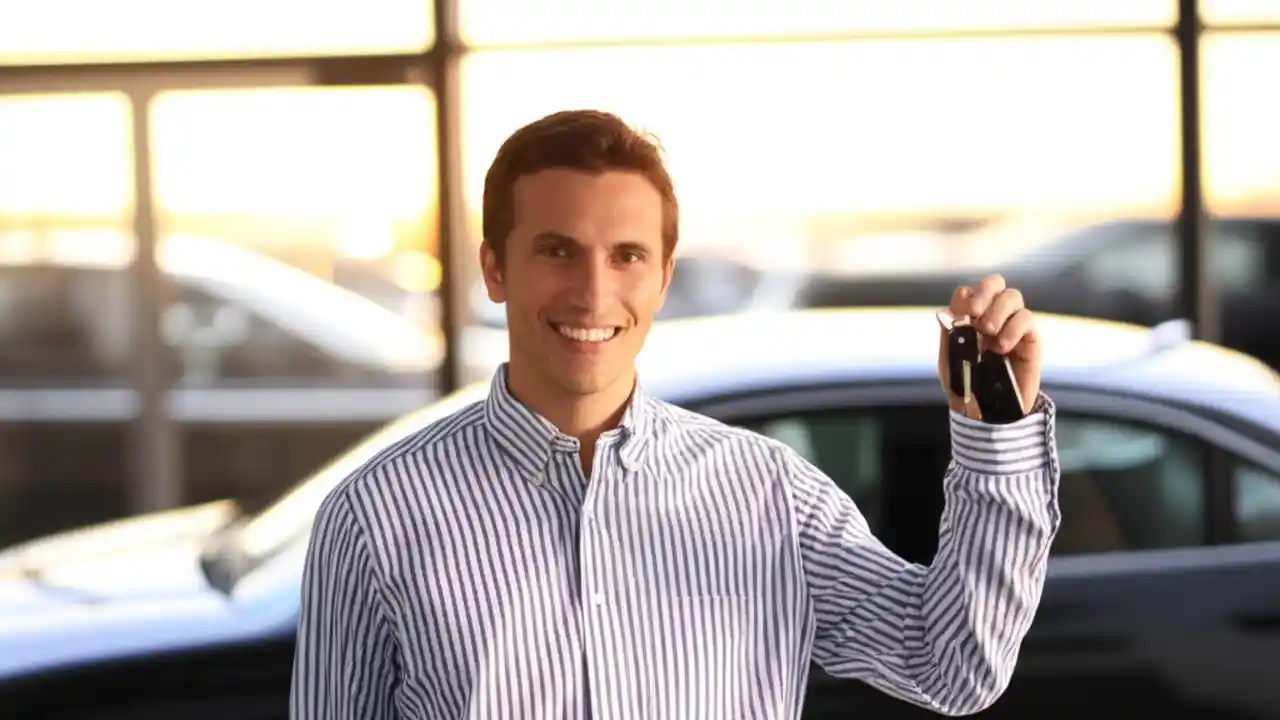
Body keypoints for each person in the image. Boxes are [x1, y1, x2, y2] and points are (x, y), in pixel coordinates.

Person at [290, 109, 1062, 719]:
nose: (593, 296)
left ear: (662, 276)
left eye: (626, 256)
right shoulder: (373, 517)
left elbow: (955, 666)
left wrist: (995, 432)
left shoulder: (768, 497)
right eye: (558, 251)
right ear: (495, 268)